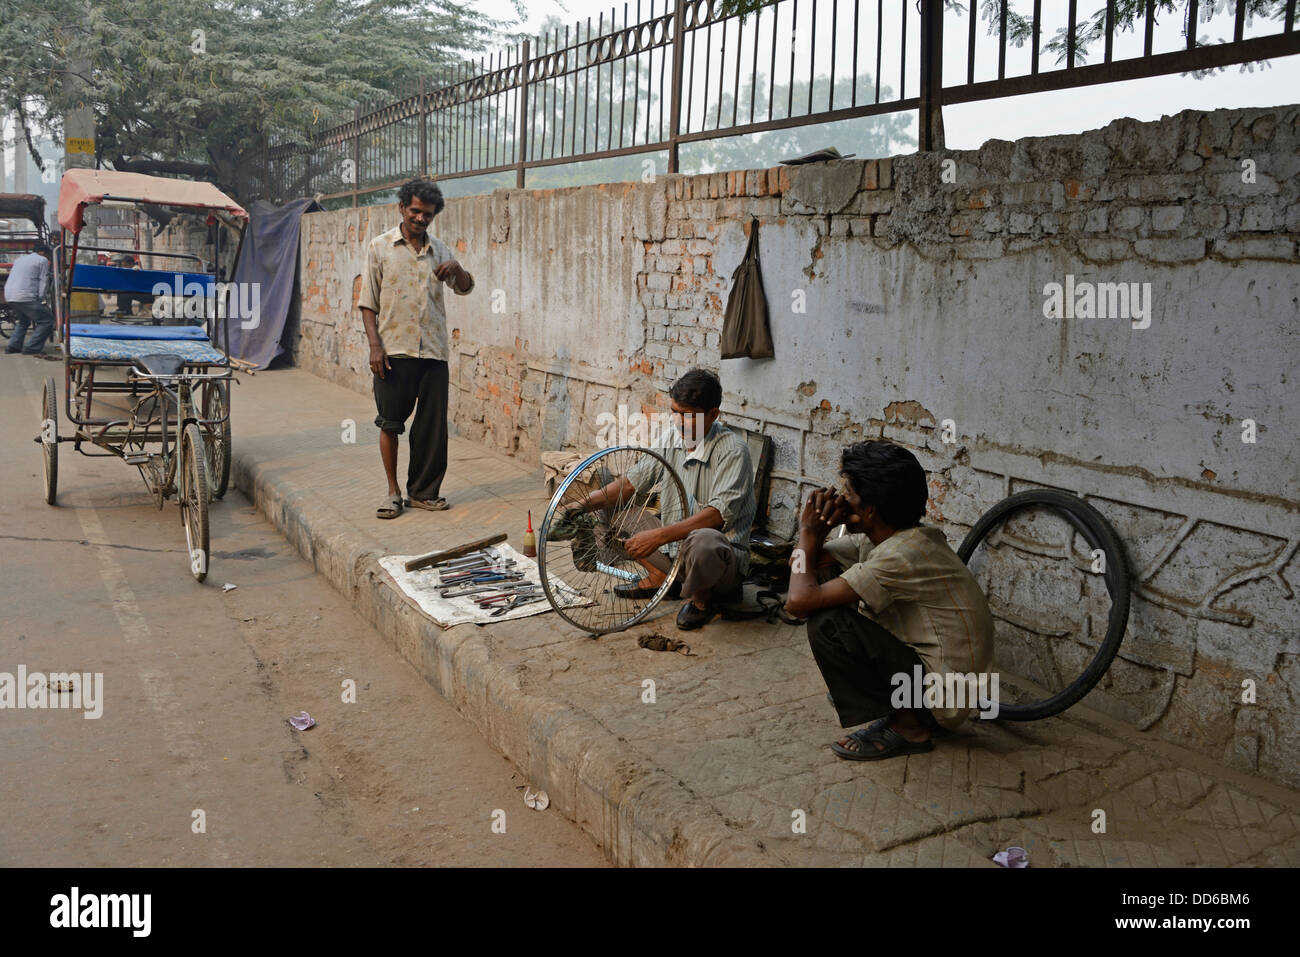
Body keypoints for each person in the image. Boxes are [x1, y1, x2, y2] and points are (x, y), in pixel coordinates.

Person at [784, 440, 994, 761]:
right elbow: (804, 565)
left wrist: (808, 532)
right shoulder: (893, 538)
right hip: (933, 679)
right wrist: (814, 537)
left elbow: (798, 602)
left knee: (829, 623)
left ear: (870, 509)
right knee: (825, 581)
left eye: (849, 494)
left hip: (945, 698)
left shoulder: (902, 556)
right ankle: (881, 697)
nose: (841, 499)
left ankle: (910, 726)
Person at [567, 368, 757, 631]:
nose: (679, 422)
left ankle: (702, 600)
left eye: (688, 416)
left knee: (704, 540)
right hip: (673, 551)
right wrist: (579, 505)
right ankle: (661, 576)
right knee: (611, 509)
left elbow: (716, 516)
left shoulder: (733, 451)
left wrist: (657, 536)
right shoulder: (671, 438)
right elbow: (629, 484)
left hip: (720, 560)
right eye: (675, 412)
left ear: (713, 415)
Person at [359, 178, 474, 519]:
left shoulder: (441, 250)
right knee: (391, 423)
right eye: (415, 211)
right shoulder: (380, 248)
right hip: (394, 351)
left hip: (434, 353)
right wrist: (374, 347)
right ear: (402, 208)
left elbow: (464, 288)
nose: (421, 219)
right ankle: (393, 493)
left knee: (431, 429)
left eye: (428, 214)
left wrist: (459, 269)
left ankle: (423, 492)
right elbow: (368, 304)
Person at [3, 243, 55, 357]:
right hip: (25, 296)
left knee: (23, 321)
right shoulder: (42, 260)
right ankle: (32, 348)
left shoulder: (20, 259)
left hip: (10, 295)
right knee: (47, 321)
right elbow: (44, 280)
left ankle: (13, 346)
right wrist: (41, 298)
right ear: (43, 253)